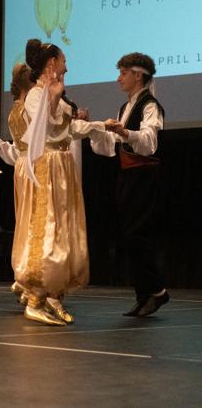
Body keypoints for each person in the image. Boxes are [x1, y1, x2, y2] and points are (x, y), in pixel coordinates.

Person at [17, 39, 109, 325]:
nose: (67, 66)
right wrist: (54, 96)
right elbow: (41, 127)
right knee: (48, 227)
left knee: (65, 229)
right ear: (51, 64)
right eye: (63, 60)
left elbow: (69, 129)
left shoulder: (56, 93)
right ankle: (35, 299)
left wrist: (103, 126)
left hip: (63, 167)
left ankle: (55, 295)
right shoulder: (35, 95)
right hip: (47, 165)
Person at [90, 53, 169, 317]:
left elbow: (149, 142)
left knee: (137, 234)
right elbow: (110, 147)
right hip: (127, 176)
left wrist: (124, 132)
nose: (119, 78)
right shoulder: (125, 108)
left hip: (144, 177)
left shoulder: (150, 105)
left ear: (138, 74)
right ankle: (144, 294)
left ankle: (157, 291)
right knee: (127, 236)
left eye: (123, 73)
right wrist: (95, 128)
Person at [0, 63, 34, 306]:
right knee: (35, 221)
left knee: (25, 222)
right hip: (36, 166)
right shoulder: (31, 107)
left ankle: (23, 275)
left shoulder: (13, 110)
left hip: (21, 168)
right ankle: (31, 277)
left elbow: (15, 152)